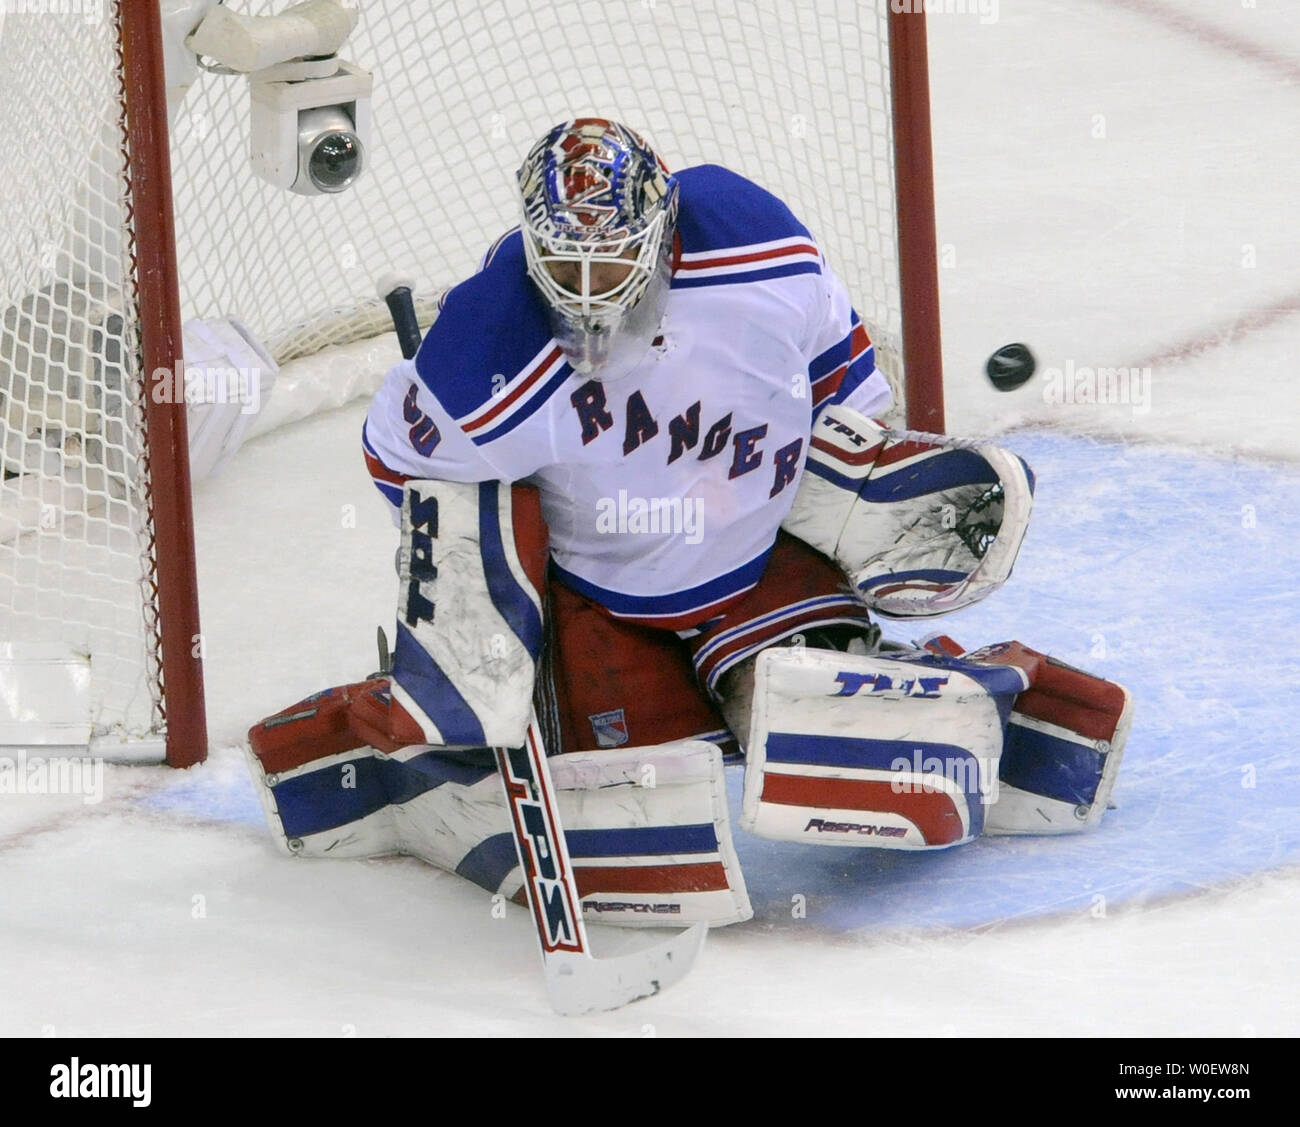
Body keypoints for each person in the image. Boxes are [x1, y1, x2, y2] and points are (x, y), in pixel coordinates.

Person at [245, 119, 1132, 928]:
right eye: (566, 270)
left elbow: (850, 391)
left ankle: (996, 707)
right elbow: (402, 466)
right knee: (644, 805)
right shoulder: (487, 346)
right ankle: (400, 776)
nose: (589, 296)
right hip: (597, 601)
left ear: (664, 230)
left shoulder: (755, 244)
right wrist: (488, 600)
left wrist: (844, 499)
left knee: (835, 735)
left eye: (613, 264)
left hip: (760, 560)